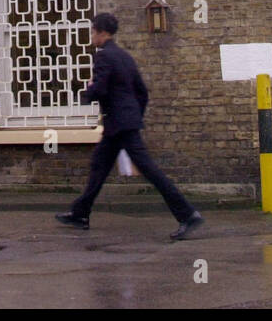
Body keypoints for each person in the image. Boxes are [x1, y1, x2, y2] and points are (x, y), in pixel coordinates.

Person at [56, 13, 204, 240]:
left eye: (93, 32)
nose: (92, 36)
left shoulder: (104, 56)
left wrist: (87, 91)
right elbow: (142, 92)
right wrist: (134, 116)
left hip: (120, 125)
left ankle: (187, 215)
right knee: (99, 166)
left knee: (151, 171)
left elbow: (101, 88)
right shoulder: (125, 57)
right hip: (121, 124)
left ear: (102, 33)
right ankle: (80, 213)